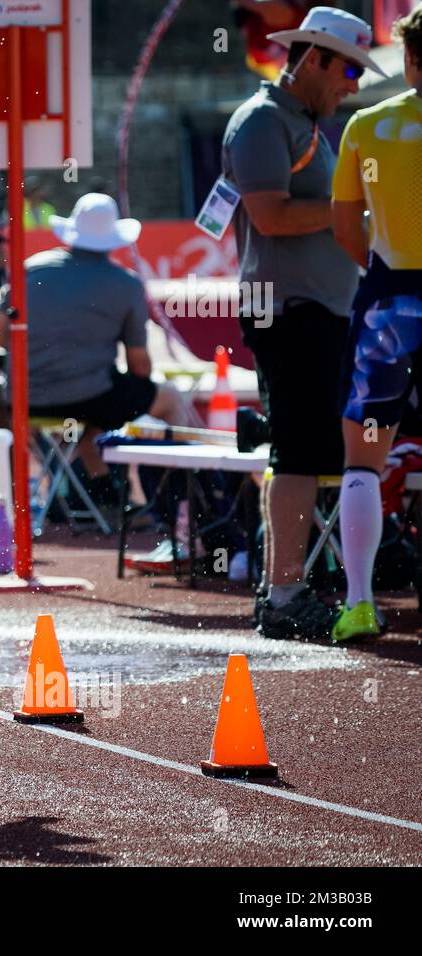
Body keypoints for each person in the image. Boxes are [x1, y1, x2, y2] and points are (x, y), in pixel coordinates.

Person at [222, 5, 379, 640]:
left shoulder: (298, 122)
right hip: (290, 312)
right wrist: (349, 211)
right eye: (347, 68)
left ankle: (285, 586)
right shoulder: (264, 120)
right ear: (312, 58)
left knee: (303, 449)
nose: (355, 83)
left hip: (310, 311)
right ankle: (284, 592)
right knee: (297, 451)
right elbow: (271, 217)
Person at [0, 193, 192, 505]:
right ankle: (177, 503)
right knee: (170, 398)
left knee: (103, 401)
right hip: (87, 399)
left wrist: (43, 358)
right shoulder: (127, 285)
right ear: (113, 239)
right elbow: (140, 366)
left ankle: (95, 479)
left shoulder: (32, 269)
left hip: (27, 401)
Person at [329, 5, 421, 641]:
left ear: (410, 58)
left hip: (390, 301)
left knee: (362, 458)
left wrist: (384, 273)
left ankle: (359, 602)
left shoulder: (366, 124)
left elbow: (343, 228)